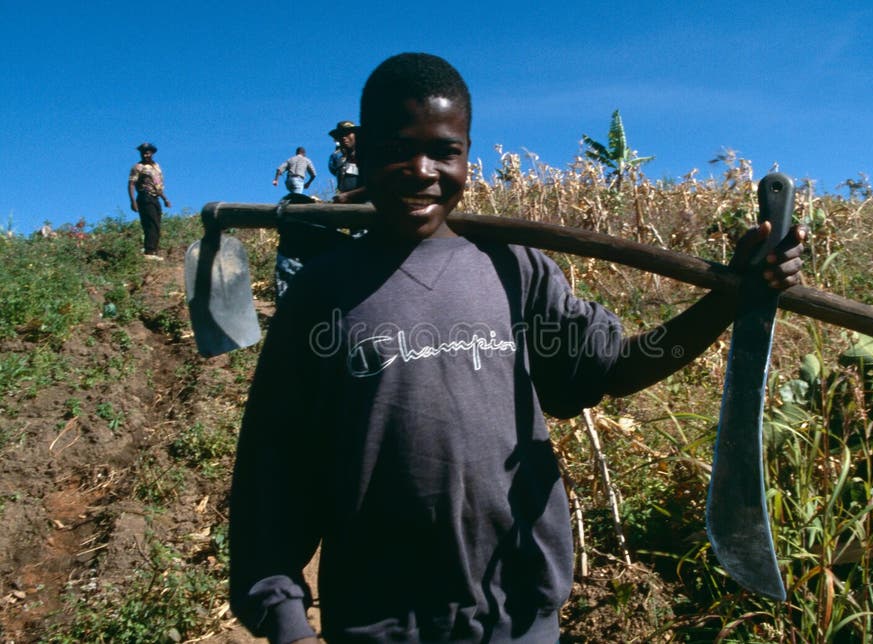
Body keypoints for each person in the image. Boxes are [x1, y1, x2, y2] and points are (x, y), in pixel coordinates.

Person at [229, 53, 806, 644]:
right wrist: (287, 622)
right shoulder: (322, 294)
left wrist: (728, 299)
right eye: (398, 148)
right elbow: (272, 467)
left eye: (445, 151)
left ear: (467, 154)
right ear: (364, 153)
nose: (422, 170)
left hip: (520, 614)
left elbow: (616, 365)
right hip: (381, 622)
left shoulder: (515, 272)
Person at [128, 142, 171, 259]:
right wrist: (133, 201)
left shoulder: (156, 167)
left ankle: (154, 252)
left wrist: (165, 199)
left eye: (147, 153)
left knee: (157, 224)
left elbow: (157, 185)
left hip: (155, 197)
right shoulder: (138, 167)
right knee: (150, 224)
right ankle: (149, 251)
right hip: (144, 197)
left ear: (152, 153)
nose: (145, 155)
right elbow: (131, 184)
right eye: (143, 153)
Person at [327, 120, 367, 203]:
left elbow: (376, 186)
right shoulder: (339, 161)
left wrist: (348, 195)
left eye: (347, 133)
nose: (343, 137)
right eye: (341, 135)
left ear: (356, 136)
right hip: (346, 206)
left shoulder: (367, 157)